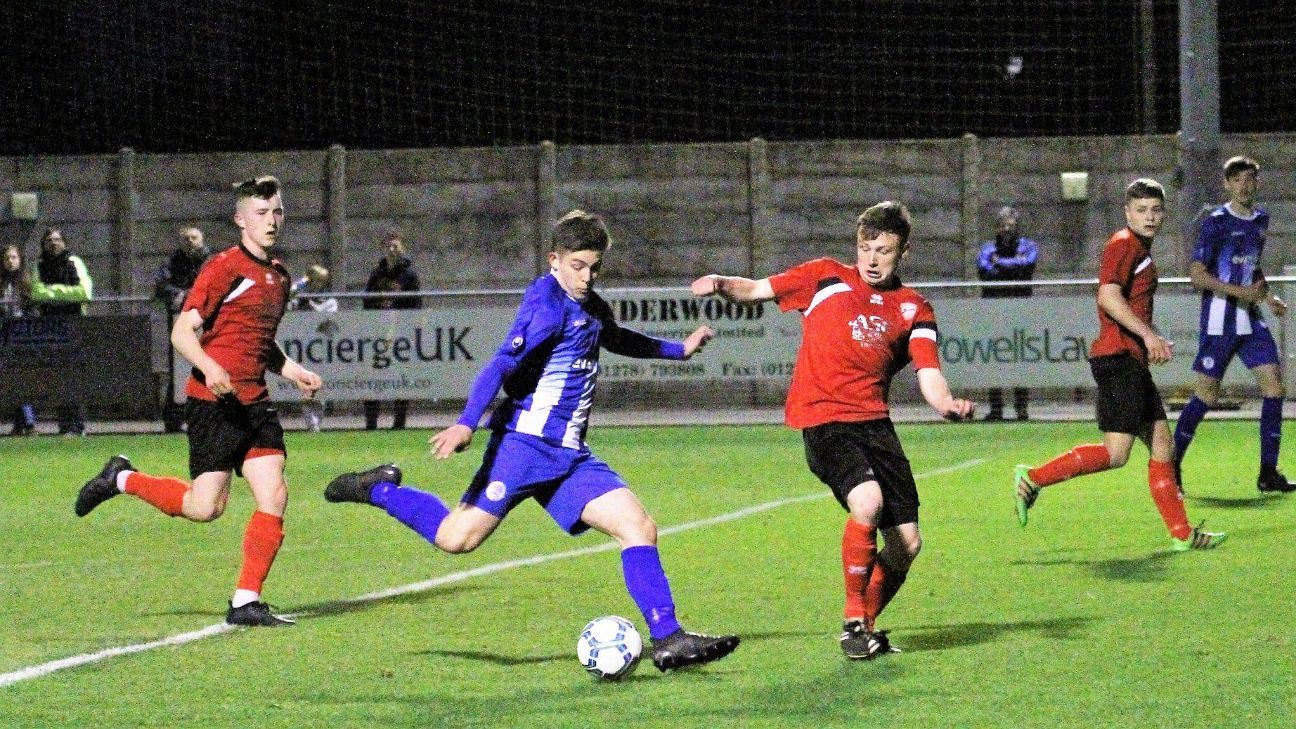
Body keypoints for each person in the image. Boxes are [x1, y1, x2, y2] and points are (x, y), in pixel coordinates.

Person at [326, 210, 740, 671]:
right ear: (554, 260)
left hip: (568, 455)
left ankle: (668, 639)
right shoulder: (546, 307)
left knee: (638, 527)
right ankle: (379, 489)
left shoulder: (589, 304)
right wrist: (467, 422)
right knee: (457, 539)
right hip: (521, 449)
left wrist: (677, 350)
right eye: (578, 266)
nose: (587, 276)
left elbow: (617, 337)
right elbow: (501, 364)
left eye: (595, 267)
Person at [691, 201, 975, 660]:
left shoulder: (914, 307)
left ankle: (865, 629)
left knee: (907, 543)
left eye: (884, 250)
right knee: (868, 501)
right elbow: (757, 289)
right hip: (824, 419)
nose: (872, 259)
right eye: (866, 248)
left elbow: (927, 369)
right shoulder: (825, 277)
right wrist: (723, 284)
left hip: (875, 427)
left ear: (903, 251)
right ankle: (852, 621)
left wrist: (944, 402)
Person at [74, 176, 323, 627]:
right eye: (261, 213)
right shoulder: (223, 267)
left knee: (275, 492)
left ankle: (246, 600)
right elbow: (182, 332)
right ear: (240, 220)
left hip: (255, 404)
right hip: (213, 402)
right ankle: (122, 478)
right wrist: (210, 368)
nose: (271, 221)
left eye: (277, 212)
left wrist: (293, 370)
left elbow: (261, 345)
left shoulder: (280, 277)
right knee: (205, 508)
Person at [1012, 179, 1226, 551]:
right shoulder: (1123, 245)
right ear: (1128, 213)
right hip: (1118, 358)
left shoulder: (1139, 248)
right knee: (1116, 454)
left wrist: (1147, 338)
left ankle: (1182, 535)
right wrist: (1149, 336)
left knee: (1162, 445)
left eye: (1156, 210)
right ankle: (1032, 478)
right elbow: (1108, 296)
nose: (1150, 217)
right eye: (1141, 210)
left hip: (1131, 360)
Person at [1172, 156, 1294, 494]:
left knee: (1275, 388)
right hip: (1219, 320)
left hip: (1250, 319)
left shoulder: (1260, 220)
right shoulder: (1215, 223)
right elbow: (1197, 275)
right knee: (1205, 396)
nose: (1244, 184)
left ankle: (1268, 474)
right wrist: (1242, 292)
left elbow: (1251, 267)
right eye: (1237, 179)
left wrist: (1268, 297)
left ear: (1257, 182)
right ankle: (1172, 464)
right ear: (1227, 184)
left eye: (1250, 178)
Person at [28, 227, 93, 435]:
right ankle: (64, 425)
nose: (53, 243)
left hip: (74, 324)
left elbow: (84, 292)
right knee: (57, 377)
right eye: (49, 240)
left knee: (75, 375)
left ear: (64, 242)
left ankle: (78, 425)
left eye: (57, 239)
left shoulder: (74, 262)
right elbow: (37, 293)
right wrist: (65, 293)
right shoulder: (39, 265)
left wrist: (53, 291)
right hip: (51, 327)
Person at [976, 205, 1038, 421]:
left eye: (1011, 226)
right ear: (996, 228)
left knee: (1020, 356)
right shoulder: (987, 248)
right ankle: (996, 408)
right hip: (994, 310)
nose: (1006, 230)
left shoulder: (1028, 246)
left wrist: (1000, 264)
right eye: (1002, 226)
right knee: (995, 357)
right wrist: (1013, 265)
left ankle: (1021, 408)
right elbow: (984, 270)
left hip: (1021, 309)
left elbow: (1027, 266)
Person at [155, 226, 212, 432]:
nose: (190, 241)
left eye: (194, 237)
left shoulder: (211, 261)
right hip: (180, 322)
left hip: (207, 321)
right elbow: (161, 286)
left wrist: (188, 294)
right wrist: (180, 295)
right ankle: (174, 420)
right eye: (186, 238)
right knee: (177, 370)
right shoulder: (172, 263)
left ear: (202, 240)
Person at [362, 231, 421, 430]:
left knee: (401, 377)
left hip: (400, 333)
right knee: (374, 377)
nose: (392, 249)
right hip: (378, 332)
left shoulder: (409, 275)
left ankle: (399, 422)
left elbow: (416, 303)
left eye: (396, 245)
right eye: (388, 246)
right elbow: (367, 300)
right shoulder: (377, 274)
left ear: (402, 247)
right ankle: (371, 423)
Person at [289, 264, 338, 432]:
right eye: (313, 281)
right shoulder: (300, 298)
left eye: (319, 281)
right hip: (303, 347)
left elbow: (326, 322)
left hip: (322, 350)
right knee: (305, 384)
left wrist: (309, 307)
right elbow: (287, 297)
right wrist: (302, 283)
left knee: (319, 386)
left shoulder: (329, 301)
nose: (316, 284)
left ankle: (317, 421)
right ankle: (311, 424)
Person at [2, 244, 37, 436]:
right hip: (5, 333)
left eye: (14, 257)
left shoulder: (25, 283)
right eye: (7, 258)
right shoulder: (2, 283)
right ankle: (21, 423)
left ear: (20, 260)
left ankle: (29, 423)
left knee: (21, 378)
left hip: (21, 333)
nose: (10, 261)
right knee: (12, 380)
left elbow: (31, 308)